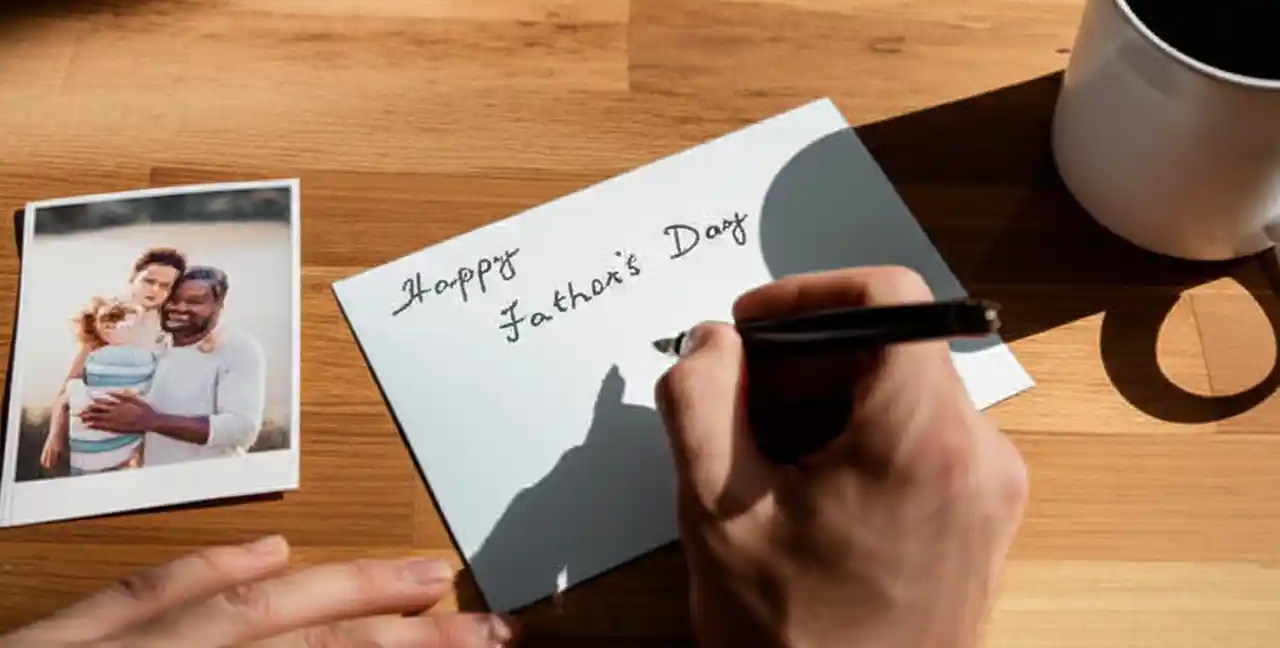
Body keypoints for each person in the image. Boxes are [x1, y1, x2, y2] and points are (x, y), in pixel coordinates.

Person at [0, 266, 1027, 648]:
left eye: (184, 301)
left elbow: (226, 434)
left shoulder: (242, 354)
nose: (169, 312)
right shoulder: (121, 351)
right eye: (159, 301)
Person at [79, 266, 266, 466]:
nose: (179, 308)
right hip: (148, 481)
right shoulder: (149, 345)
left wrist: (152, 421)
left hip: (209, 482)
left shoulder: (236, 347)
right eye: (172, 300)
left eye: (194, 302)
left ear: (219, 305)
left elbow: (242, 428)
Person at [40, 247, 189, 472]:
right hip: (93, 433)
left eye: (165, 285)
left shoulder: (168, 331)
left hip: (140, 435)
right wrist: (55, 435)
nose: (156, 289)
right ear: (133, 278)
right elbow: (71, 383)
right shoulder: (112, 323)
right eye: (149, 281)